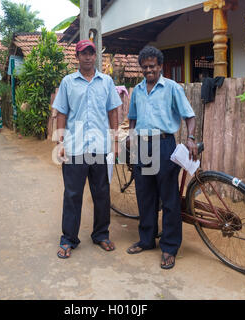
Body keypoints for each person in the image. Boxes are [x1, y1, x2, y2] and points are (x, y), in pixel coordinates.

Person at [126, 46, 198, 270]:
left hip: (165, 144)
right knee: (145, 196)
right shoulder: (137, 91)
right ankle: (147, 240)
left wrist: (191, 138)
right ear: (141, 68)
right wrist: (130, 137)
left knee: (169, 199)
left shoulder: (172, 88)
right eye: (145, 67)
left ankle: (169, 247)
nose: (149, 70)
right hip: (143, 146)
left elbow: (190, 116)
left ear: (160, 66)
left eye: (153, 66)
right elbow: (133, 119)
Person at [53, 39, 122, 259]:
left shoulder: (107, 81)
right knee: (72, 194)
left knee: (101, 193)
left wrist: (115, 141)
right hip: (75, 147)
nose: (88, 57)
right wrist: (60, 142)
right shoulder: (68, 82)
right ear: (77, 56)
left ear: (96, 56)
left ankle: (101, 234)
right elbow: (61, 112)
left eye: (92, 53)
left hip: (100, 147)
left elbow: (113, 112)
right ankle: (69, 239)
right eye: (84, 53)